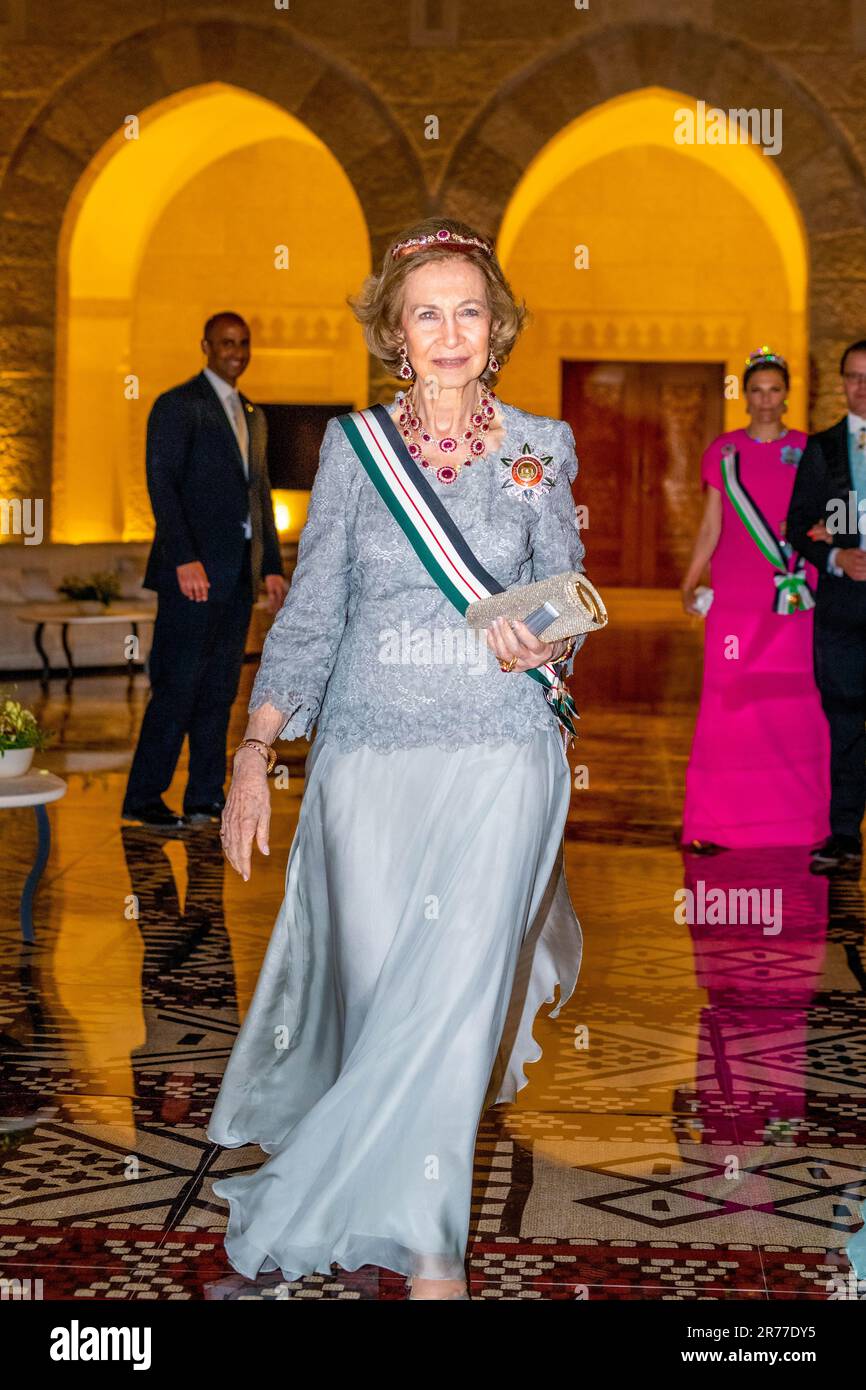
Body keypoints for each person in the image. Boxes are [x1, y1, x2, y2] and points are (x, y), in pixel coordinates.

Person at [206, 218, 586, 1301]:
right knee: (382, 1001)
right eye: (428, 313)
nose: (451, 332)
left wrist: (548, 632)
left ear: (497, 326)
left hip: (499, 755)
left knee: (450, 1004)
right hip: (367, 759)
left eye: (470, 311)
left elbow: (564, 583)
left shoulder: (539, 446)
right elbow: (315, 608)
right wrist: (252, 748)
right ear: (395, 332)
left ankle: (432, 1257)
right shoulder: (352, 451)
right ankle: (368, 1202)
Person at [122, 314, 288, 828]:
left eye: (242, 343)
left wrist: (271, 567)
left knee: (220, 688)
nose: (235, 352)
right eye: (226, 343)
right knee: (176, 685)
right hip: (190, 575)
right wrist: (184, 558)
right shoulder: (177, 406)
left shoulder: (253, 413)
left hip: (237, 576)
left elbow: (258, 494)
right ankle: (145, 797)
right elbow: (162, 486)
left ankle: (204, 796)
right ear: (206, 347)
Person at [680, 347, 830, 851]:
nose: (766, 400)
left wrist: (814, 529)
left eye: (775, 390)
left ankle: (799, 823)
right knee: (728, 701)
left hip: (793, 592)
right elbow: (711, 524)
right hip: (737, 595)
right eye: (757, 390)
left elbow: (833, 520)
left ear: (787, 394)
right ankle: (718, 823)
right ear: (745, 395)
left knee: (795, 704)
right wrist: (692, 574)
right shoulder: (723, 453)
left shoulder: (812, 452)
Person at [787, 338, 866, 869]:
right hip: (843, 610)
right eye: (853, 377)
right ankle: (844, 836)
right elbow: (799, 525)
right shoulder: (823, 448)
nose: (862, 387)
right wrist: (836, 556)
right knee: (846, 724)